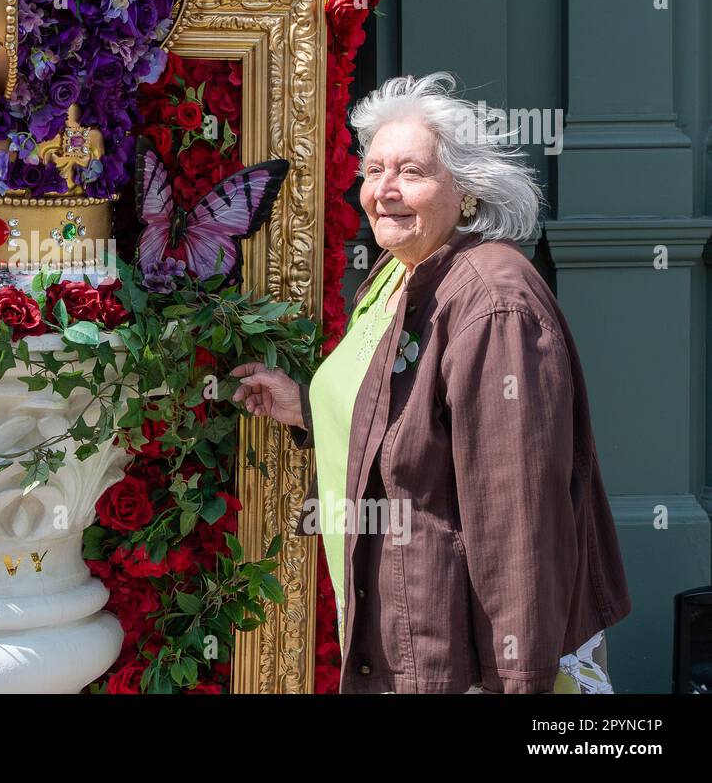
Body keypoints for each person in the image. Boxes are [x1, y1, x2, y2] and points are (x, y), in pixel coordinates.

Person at [230, 72, 630, 693]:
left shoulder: (493, 301)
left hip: (465, 660)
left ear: (466, 192)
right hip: (409, 635)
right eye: (373, 171)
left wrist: (519, 682)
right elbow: (410, 422)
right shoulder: (399, 277)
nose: (384, 190)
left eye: (411, 172)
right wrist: (309, 408)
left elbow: (518, 514)